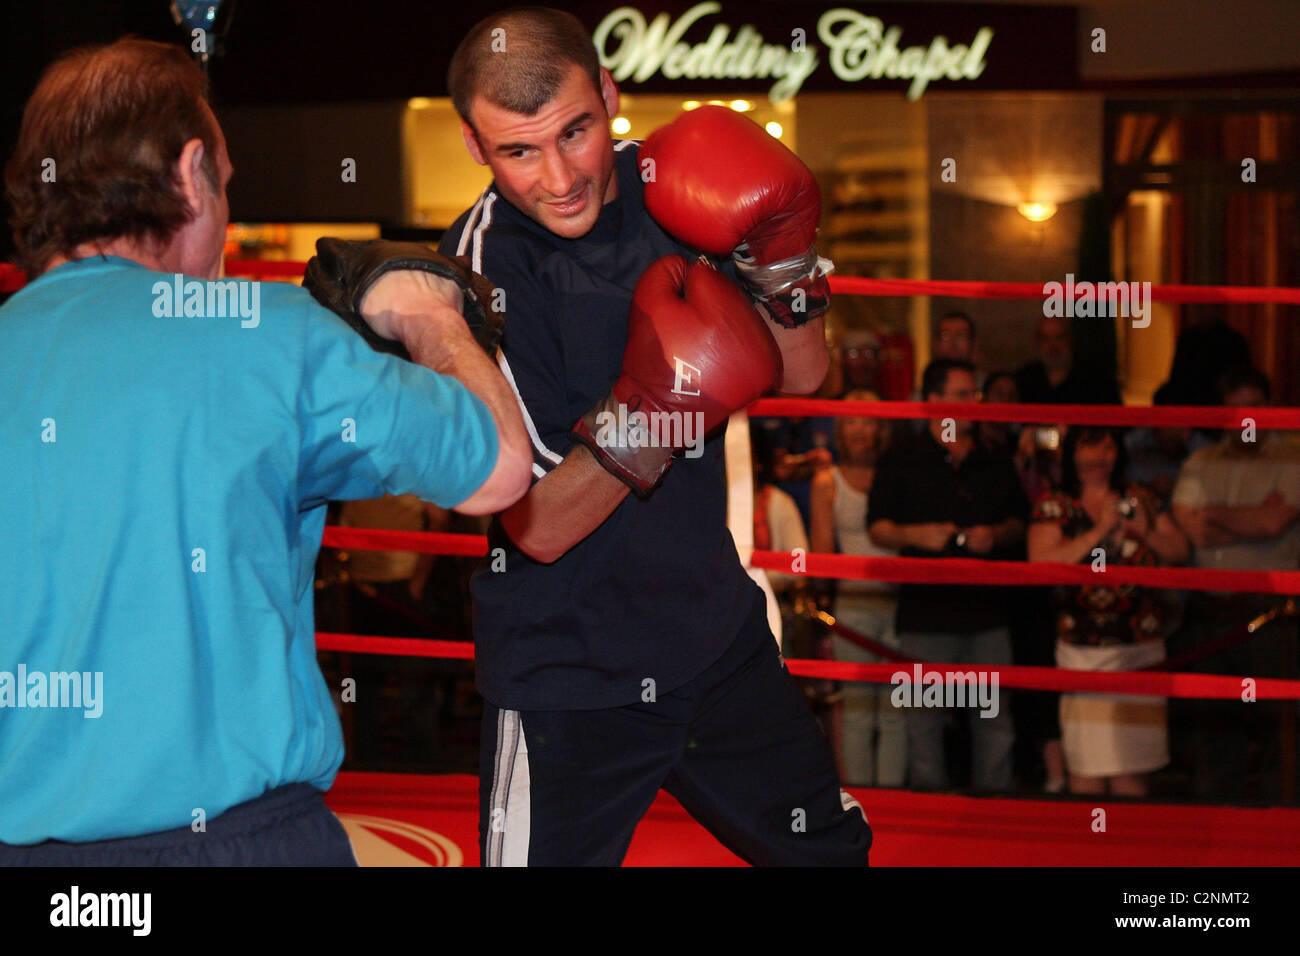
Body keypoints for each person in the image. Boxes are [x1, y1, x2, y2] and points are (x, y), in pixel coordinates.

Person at [0, 39, 532, 864]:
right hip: (236, 842)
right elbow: (499, 467)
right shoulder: (265, 336)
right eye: (227, 182)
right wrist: (428, 315)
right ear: (188, 175)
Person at [439, 8, 871, 866]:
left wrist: (784, 258)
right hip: (570, 678)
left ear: (609, 95)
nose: (559, 177)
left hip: (716, 643)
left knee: (830, 857)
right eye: (519, 152)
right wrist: (660, 409)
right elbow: (537, 525)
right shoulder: (480, 278)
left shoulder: (678, 186)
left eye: (576, 132)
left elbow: (804, 373)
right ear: (474, 147)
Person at [868, 359, 1028, 791]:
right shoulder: (902, 458)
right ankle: (930, 829)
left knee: (994, 722)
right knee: (923, 727)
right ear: (934, 400)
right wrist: (917, 534)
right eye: (962, 394)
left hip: (987, 612)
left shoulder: (993, 457)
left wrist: (993, 536)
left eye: (973, 394)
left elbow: (1019, 520)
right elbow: (877, 527)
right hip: (926, 612)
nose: (972, 403)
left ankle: (993, 825)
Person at [1027, 427, 1190, 796]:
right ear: (1072, 452)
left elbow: (1179, 550)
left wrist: (1143, 532)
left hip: (1140, 648)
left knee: (1132, 775)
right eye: (1091, 444)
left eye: (1108, 444)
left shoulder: (1139, 498)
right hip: (1082, 651)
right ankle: (1092, 848)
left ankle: (1128, 851)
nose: (1101, 454)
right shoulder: (1055, 503)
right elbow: (1040, 564)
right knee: (1086, 771)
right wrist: (1098, 532)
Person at [1169, 365, 1300, 801]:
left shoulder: (1294, 454)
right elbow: (1194, 531)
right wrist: (1252, 517)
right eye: (1236, 409)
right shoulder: (1199, 460)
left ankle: (1280, 834)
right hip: (1210, 612)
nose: (1246, 418)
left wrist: (1215, 511)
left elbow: (1275, 523)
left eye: (1254, 407)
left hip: (1271, 613)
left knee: (1280, 731)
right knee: (1210, 731)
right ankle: (1212, 832)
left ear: (1270, 408)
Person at [809, 390, 906, 787]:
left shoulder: (898, 475)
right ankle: (866, 800)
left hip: (900, 601)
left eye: (869, 419)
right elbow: (820, 552)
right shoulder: (826, 481)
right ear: (840, 428)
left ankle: (896, 801)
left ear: (881, 427)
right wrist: (822, 611)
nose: (861, 428)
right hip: (852, 604)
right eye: (852, 419)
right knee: (858, 711)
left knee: (898, 711)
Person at [980, 371, 1063, 792]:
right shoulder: (982, 454)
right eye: (999, 396)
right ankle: (1015, 770)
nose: (1006, 405)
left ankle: (1045, 767)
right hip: (999, 587)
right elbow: (1001, 511)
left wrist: (1044, 463)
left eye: (1014, 397)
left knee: (1040, 674)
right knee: (1003, 684)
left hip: (1040, 589)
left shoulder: (1046, 458)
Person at [1015, 315, 1122, 406]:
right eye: (1045, 339)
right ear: (1037, 342)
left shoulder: (1096, 380)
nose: (1053, 346)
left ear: (1070, 339)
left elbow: (1118, 422)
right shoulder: (1024, 379)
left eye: (1059, 338)